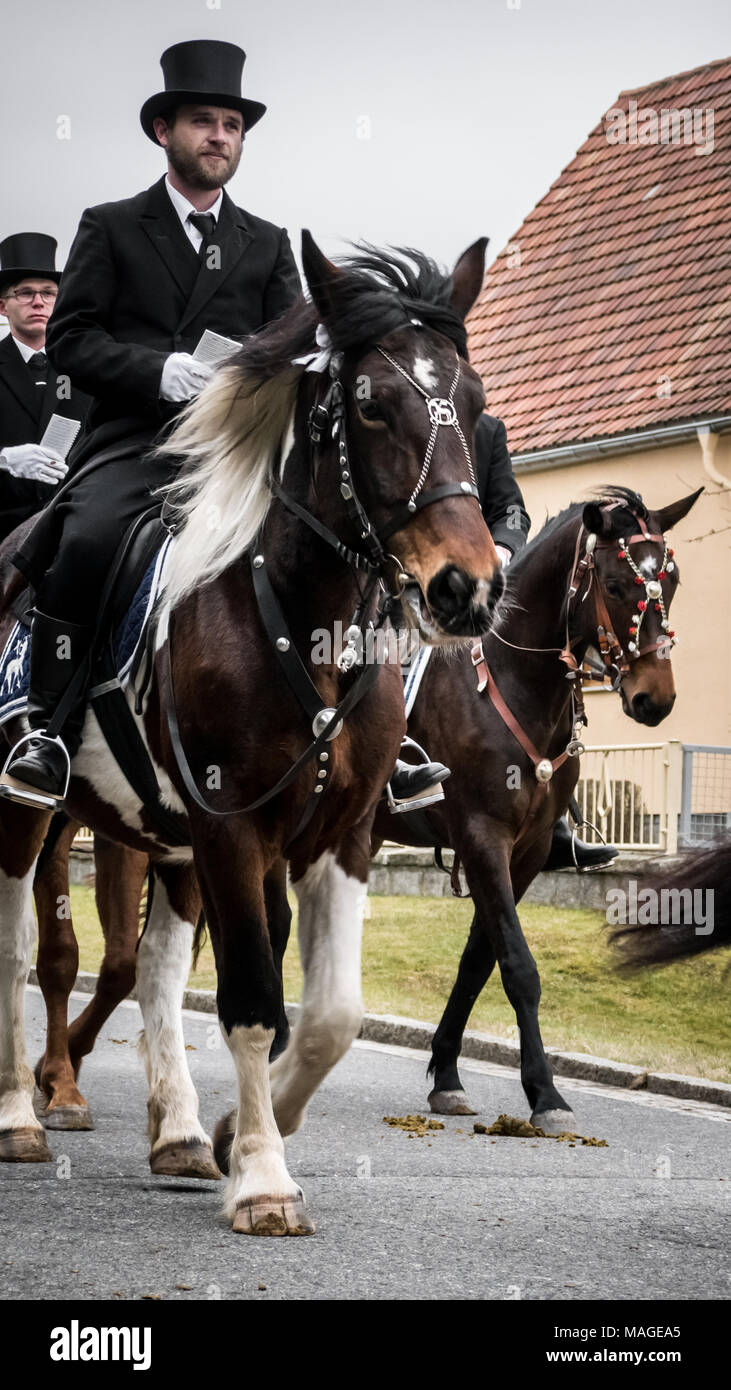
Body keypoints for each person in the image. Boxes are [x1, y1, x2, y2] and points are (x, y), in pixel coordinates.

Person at [0, 38, 448, 812]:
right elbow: (72, 338)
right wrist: (158, 370)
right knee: (88, 536)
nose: (219, 136)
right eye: (203, 122)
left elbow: (293, 345)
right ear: (164, 132)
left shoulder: (268, 242)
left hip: (239, 451)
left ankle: (386, 729)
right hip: (136, 443)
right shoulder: (109, 225)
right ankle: (49, 726)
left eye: (232, 126)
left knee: (348, 535)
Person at [475, 412, 618, 871]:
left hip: (480, 582)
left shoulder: (487, 431)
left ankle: (554, 826)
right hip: (408, 575)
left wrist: (496, 555)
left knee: (542, 673)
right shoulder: (399, 414)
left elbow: (511, 511)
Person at [0, 234, 89, 542]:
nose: (38, 302)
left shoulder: (88, 368)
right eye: (25, 293)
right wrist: (5, 459)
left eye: (48, 293)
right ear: (2, 306)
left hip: (72, 527)